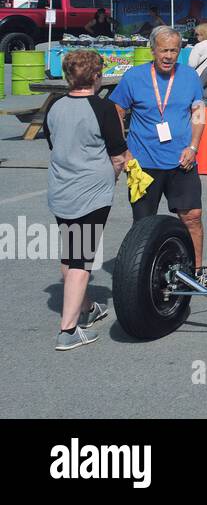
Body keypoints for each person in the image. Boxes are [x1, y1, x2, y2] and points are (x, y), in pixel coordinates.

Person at [110, 26, 207, 282]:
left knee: (192, 217)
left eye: (173, 50)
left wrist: (194, 147)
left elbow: (198, 115)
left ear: (180, 51)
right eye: (163, 50)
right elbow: (115, 112)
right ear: (152, 50)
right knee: (143, 224)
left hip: (182, 161)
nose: (168, 56)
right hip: (143, 164)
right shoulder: (134, 77)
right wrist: (123, 150)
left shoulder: (189, 77)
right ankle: (141, 274)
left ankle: (197, 271)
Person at [43, 49, 126, 350]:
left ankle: (87, 308)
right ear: (95, 76)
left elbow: (52, 140)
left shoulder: (54, 105)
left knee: (71, 252)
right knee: (81, 259)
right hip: (91, 190)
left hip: (61, 187)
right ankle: (68, 330)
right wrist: (116, 173)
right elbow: (118, 152)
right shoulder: (103, 108)